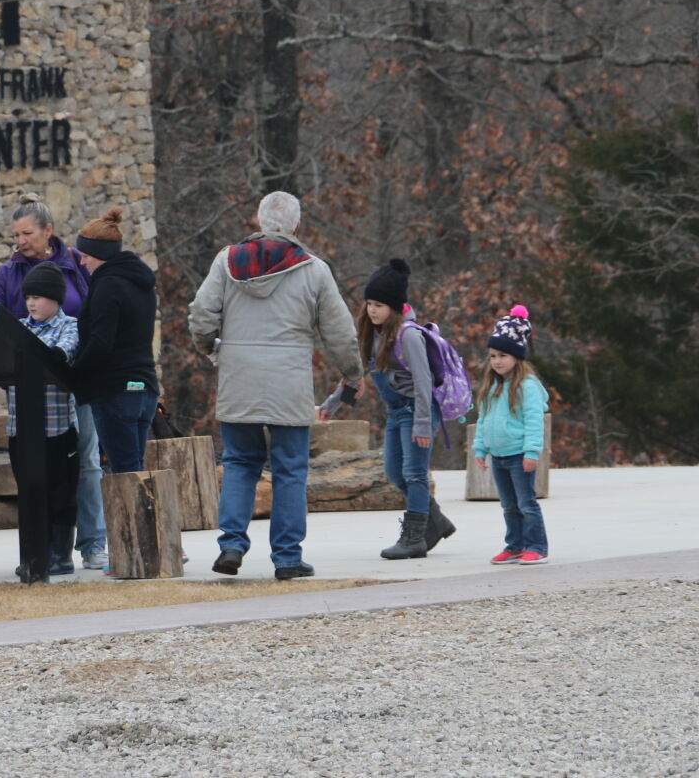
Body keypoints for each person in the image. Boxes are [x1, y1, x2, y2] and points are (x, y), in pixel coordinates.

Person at [188, 191, 360, 581]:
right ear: (297, 226)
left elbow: (201, 315)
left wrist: (211, 348)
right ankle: (286, 558)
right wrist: (353, 373)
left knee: (238, 463)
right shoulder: (314, 269)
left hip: (239, 380)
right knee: (290, 471)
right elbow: (340, 332)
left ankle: (232, 544)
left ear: (260, 221)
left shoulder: (226, 261)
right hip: (289, 385)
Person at [0, 194, 107, 571]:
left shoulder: (74, 265)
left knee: (85, 462)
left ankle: (92, 542)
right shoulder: (8, 274)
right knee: (37, 471)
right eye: (16, 234)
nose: (20, 241)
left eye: (27, 233)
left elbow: (94, 313)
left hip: (75, 383)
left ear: (48, 231)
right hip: (29, 392)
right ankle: (41, 548)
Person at [322, 258, 456, 560]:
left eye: (379, 305)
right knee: (394, 472)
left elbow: (423, 382)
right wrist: (333, 403)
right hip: (397, 412)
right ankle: (435, 520)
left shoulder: (407, 335)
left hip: (416, 409)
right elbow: (357, 373)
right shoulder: (372, 333)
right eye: (370, 303)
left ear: (394, 307)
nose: (372, 310)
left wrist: (423, 424)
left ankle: (415, 538)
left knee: (415, 473)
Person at [66, 207, 159, 473]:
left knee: (124, 475)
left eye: (85, 256)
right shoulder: (142, 283)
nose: (83, 263)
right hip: (144, 388)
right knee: (136, 470)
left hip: (115, 390)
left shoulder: (108, 285)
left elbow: (100, 343)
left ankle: (132, 517)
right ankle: (144, 516)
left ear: (101, 255)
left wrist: (73, 375)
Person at [9, 262, 83, 578]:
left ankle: (60, 554)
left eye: (38, 297)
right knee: (28, 492)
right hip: (20, 428)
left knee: (60, 493)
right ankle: (33, 553)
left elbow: (62, 352)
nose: (31, 303)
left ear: (56, 299)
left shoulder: (70, 327)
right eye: (28, 297)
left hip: (58, 429)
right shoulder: (17, 329)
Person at [472, 304, 550, 565]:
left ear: (517, 356)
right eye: (493, 355)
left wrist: (531, 452)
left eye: (503, 355)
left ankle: (537, 546)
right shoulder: (492, 386)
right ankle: (514, 545)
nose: (497, 361)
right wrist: (480, 449)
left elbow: (534, 421)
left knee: (526, 504)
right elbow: (483, 419)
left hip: (519, 456)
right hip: (499, 456)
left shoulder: (527, 386)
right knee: (508, 505)